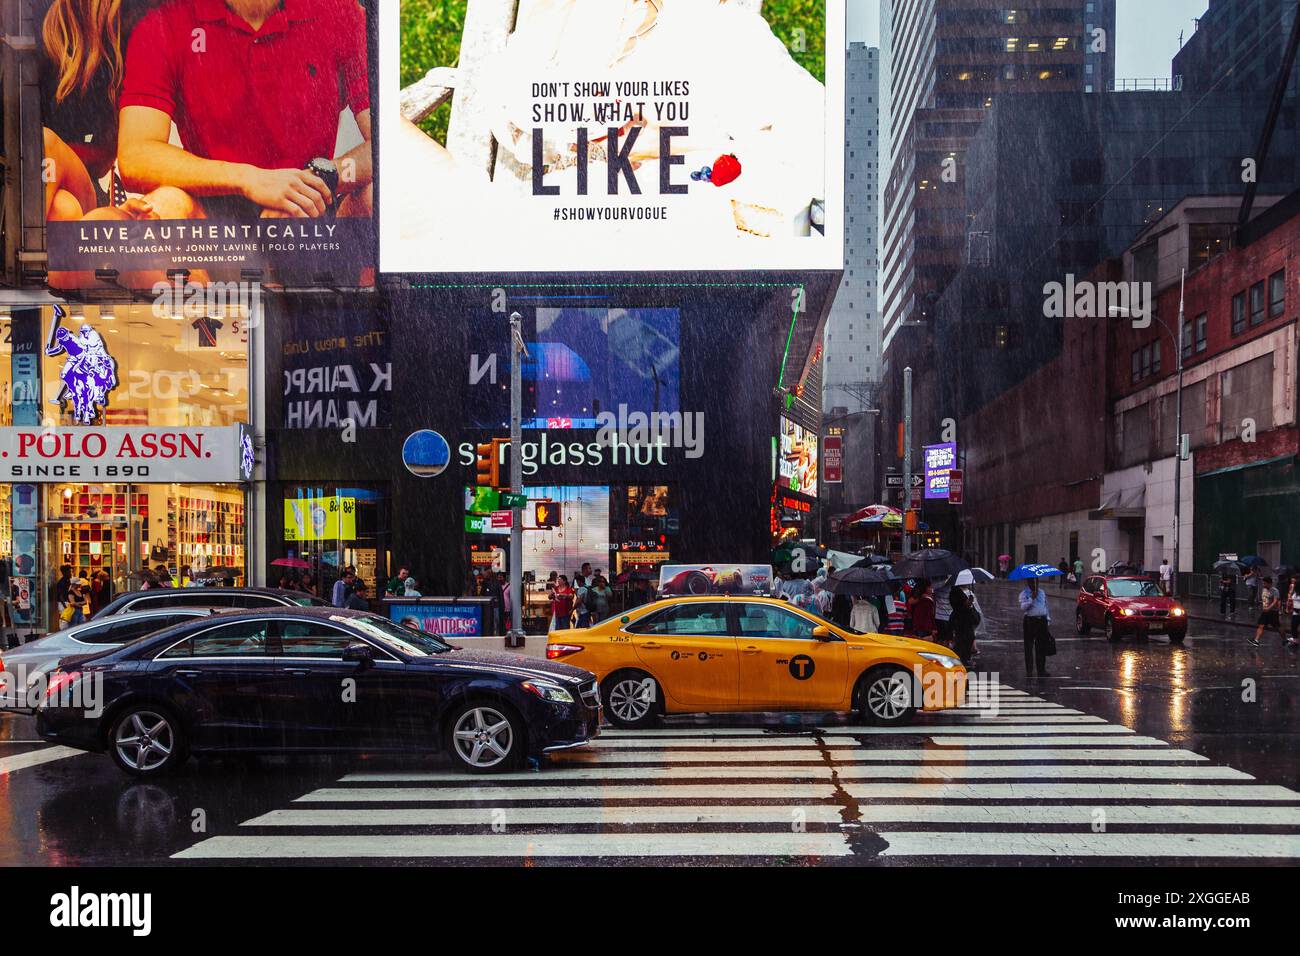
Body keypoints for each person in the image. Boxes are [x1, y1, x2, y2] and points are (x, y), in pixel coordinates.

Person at [1019, 576, 1052, 677]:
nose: (1034, 583)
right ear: (1028, 582)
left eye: (1036, 581)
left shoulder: (1042, 592)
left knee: (1041, 646)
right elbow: (1023, 607)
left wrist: (1048, 619)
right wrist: (1031, 599)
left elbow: (1045, 606)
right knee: (1028, 646)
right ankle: (1029, 670)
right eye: (1032, 581)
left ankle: (1041, 670)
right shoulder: (1024, 593)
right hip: (1030, 621)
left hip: (1042, 621)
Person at [950, 570, 980, 668]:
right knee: (963, 639)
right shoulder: (955, 592)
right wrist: (967, 603)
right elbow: (958, 606)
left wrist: (969, 602)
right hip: (960, 620)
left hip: (966, 620)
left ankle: (964, 658)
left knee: (968, 638)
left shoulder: (962, 591)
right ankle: (962, 659)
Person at [1250, 577, 1285, 647]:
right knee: (1261, 625)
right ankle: (1256, 640)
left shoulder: (1275, 591)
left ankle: (1285, 639)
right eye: (1263, 583)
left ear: (1269, 583)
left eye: (1265, 583)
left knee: (1277, 626)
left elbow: (1275, 601)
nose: (1263, 584)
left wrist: (1269, 608)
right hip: (1265, 611)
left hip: (1272, 612)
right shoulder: (1264, 589)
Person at [1287, 578, 1300, 648]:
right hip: (1295, 612)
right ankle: (1295, 640)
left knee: (1295, 626)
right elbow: (1292, 600)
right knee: (1293, 626)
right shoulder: (1295, 593)